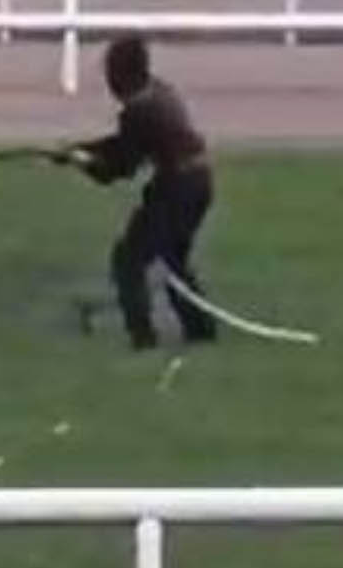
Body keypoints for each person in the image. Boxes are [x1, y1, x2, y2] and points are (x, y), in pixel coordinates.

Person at [50, 34, 218, 351]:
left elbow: (118, 167)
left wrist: (78, 160)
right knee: (172, 261)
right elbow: (123, 145)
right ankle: (200, 330)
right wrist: (79, 150)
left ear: (121, 75)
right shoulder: (157, 91)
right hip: (197, 183)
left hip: (178, 189)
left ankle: (143, 337)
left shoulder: (141, 111)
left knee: (129, 260)